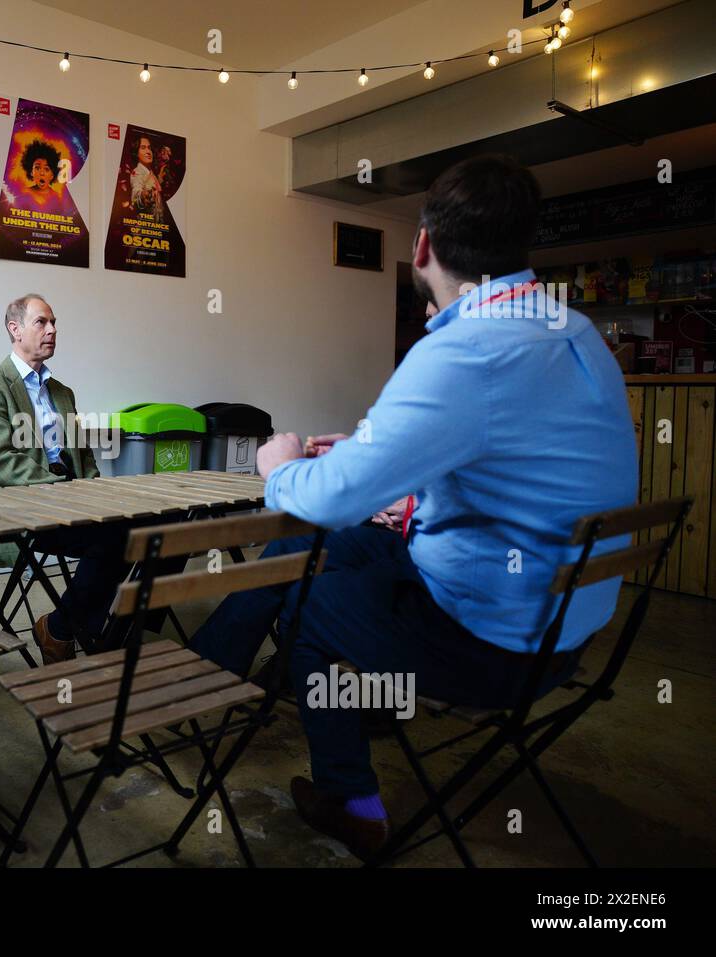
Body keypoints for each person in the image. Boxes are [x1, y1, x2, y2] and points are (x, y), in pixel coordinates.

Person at [190, 154, 637, 860]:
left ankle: (350, 799)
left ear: (422, 245)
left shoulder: (464, 351)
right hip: (566, 627)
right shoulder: (574, 333)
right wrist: (386, 466)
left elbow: (331, 498)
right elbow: (512, 464)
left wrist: (277, 469)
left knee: (309, 602)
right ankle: (210, 668)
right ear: (522, 246)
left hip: (496, 644)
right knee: (304, 552)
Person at [0, 295, 128, 664]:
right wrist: (65, 492)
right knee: (113, 537)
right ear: (15, 329)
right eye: (41, 322)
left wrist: (99, 493)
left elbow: (83, 457)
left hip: (72, 501)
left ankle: (98, 626)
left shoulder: (62, 393)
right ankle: (63, 628)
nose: (52, 330)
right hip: (20, 509)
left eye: (54, 323)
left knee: (152, 527)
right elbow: (1, 461)